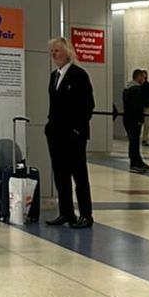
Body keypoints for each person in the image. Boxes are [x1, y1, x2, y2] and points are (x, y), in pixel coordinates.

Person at [44, 37, 95, 229]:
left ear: (68, 52)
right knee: (60, 175)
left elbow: (88, 105)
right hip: (55, 133)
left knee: (79, 175)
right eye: (52, 51)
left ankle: (86, 214)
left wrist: (76, 129)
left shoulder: (79, 75)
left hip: (73, 135)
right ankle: (66, 212)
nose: (53, 54)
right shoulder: (54, 76)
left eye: (57, 50)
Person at [122, 69, 149, 172]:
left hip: (128, 118)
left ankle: (138, 160)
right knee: (134, 141)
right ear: (138, 77)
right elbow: (137, 106)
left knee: (134, 141)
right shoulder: (136, 90)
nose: (144, 79)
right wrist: (140, 118)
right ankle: (134, 163)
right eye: (143, 77)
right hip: (133, 119)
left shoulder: (127, 88)